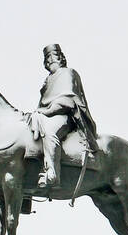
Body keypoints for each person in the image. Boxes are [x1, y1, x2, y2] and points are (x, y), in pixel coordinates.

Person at [32, 44, 98, 189]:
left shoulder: (68, 73)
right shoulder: (48, 79)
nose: (48, 61)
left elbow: (68, 99)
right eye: (46, 58)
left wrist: (48, 111)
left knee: (50, 132)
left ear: (60, 58)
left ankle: (52, 174)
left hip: (66, 116)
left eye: (51, 57)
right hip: (46, 115)